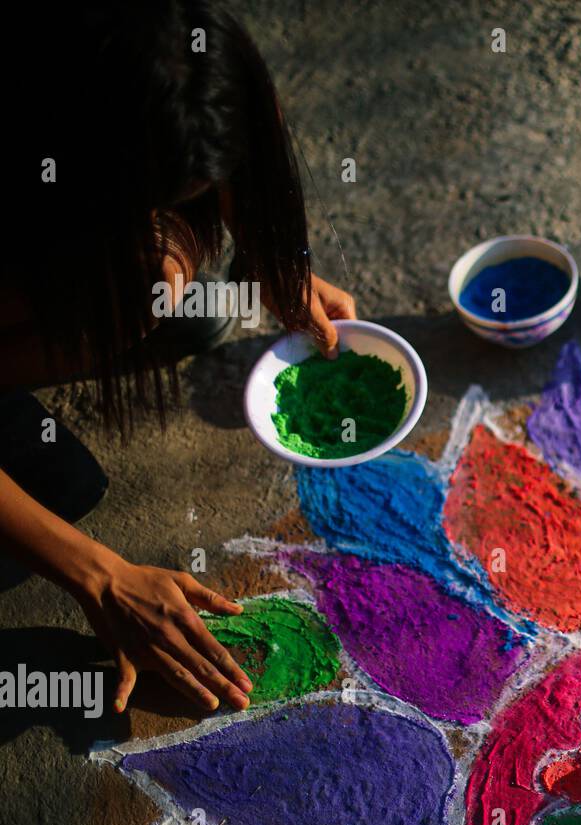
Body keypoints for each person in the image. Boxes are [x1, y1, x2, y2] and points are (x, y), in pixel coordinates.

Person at [0, 1, 356, 714]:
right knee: (59, 493)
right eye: (152, 203)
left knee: (190, 314)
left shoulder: (175, 49)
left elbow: (229, 134)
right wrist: (99, 576)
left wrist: (274, 260)